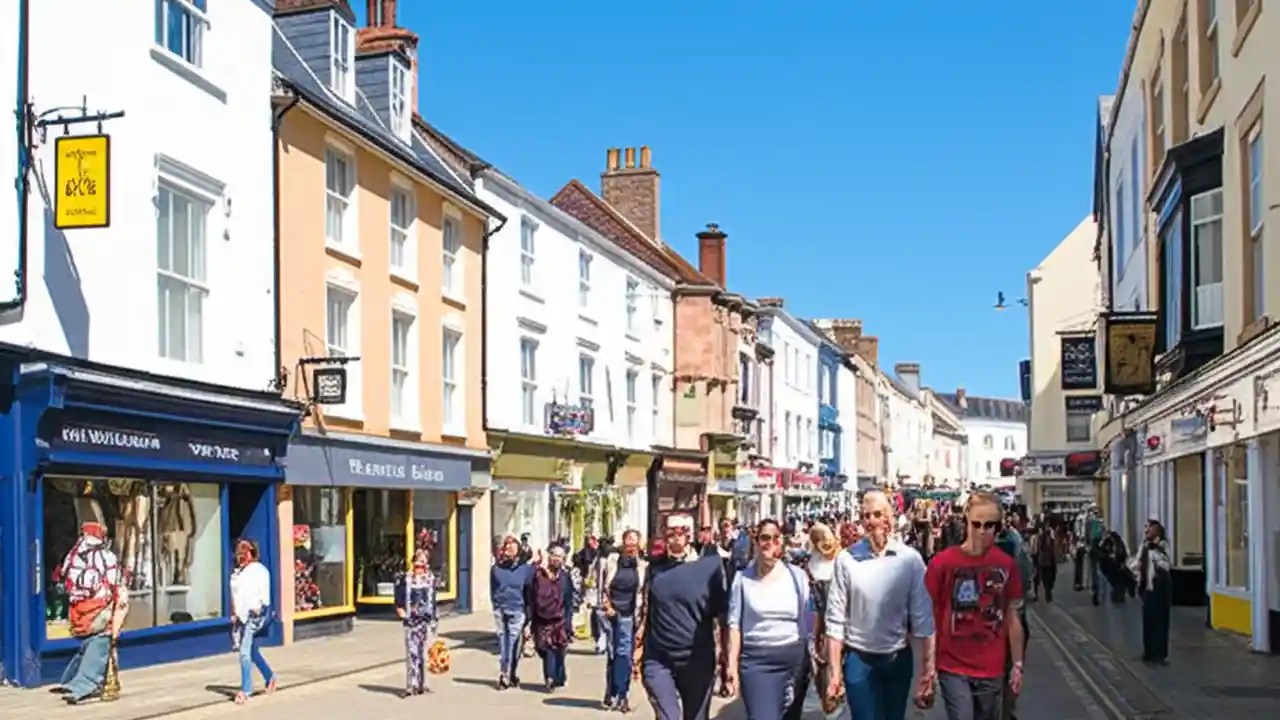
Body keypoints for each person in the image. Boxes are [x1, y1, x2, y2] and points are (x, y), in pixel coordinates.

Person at [825, 491, 936, 720]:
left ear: (889, 518)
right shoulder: (847, 559)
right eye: (866, 516)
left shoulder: (910, 560)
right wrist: (834, 672)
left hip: (897, 660)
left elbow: (923, 618)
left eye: (877, 514)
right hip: (859, 659)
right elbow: (835, 619)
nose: (872, 521)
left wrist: (928, 669)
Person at [926, 492, 1025, 720]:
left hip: (991, 667)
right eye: (976, 524)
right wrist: (928, 666)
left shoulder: (1007, 565)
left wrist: (1017, 664)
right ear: (966, 522)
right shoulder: (942, 563)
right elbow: (929, 617)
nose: (981, 531)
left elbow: (1013, 618)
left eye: (989, 525)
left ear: (998, 527)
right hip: (952, 666)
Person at [635, 514, 728, 720]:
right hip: (658, 659)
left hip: (697, 659)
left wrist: (727, 659)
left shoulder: (710, 566)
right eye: (671, 531)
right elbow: (647, 610)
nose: (676, 536)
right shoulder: (655, 569)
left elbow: (723, 615)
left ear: (691, 535)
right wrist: (637, 647)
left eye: (682, 531)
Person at [726, 519, 812, 720]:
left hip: (794, 663)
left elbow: (808, 619)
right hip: (757, 663)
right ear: (756, 542)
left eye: (775, 538)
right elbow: (734, 624)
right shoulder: (742, 579)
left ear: (781, 541)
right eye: (765, 538)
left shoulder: (798, 577)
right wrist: (731, 664)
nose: (770, 543)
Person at [51, 521, 130, 706]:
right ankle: (76, 682)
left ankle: (81, 684)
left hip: (93, 609)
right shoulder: (102, 557)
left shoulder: (77, 556)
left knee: (95, 644)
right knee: (93, 644)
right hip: (93, 609)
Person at [601, 529, 647, 712]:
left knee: (624, 654)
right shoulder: (612, 561)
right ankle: (610, 692)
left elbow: (643, 593)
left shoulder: (643, 566)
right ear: (623, 542)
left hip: (629, 614)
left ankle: (622, 695)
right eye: (629, 540)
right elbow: (601, 586)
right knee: (613, 654)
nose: (631, 544)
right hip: (610, 612)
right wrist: (606, 605)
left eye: (635, 540)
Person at [230, 539, 276, 705]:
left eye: (245, 553)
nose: (241, 557)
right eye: (239, 554)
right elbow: (236, 595)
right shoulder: (237, 574)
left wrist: (260, 605)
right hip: (242, 616)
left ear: (252, 553)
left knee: (244, 652)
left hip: (254, 615)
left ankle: (246, 690)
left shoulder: (259, 570)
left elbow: (264, 592)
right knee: (251, 650)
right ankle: (270, 676)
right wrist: (234, 613)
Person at [805, 523, 842, 715]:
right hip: (837, 628)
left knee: (824, 671)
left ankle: (829, 705)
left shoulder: (812, 565)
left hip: (824, 628)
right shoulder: (842, 560)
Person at [529, 546, 575, 691]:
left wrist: (568, 622)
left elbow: (569, 600)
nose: (556, 559)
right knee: (545, 648)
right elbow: (532, 596)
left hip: (560, 619)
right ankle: (550, 677)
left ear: (564, 559)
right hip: (542, 619)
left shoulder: (565, 577)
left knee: (559, 649)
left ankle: (556, 677)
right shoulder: (539, 575)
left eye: (559, 557)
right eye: (554, 555)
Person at [491, 534, 534, 689]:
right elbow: (493, 589)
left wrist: (529, 614)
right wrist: (496, 605)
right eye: (506, 547)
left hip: (518, 609)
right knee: (504, 644)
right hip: (501, 610)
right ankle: (504, 675)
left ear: (518, 550)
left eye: (512, 547)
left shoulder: (526, 570)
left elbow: (529, 591)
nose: (508, 550)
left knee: (515, 645)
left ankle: (512, 673)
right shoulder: (496, 569)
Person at [396, 549, 439, 696]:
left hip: (425, 620)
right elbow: (398, 599)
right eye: (418, 561)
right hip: (411, 620)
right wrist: (402, 612)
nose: (420, 565)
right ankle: (411, 685)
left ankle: (423, 684)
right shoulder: (405, 579)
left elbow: (433, 600)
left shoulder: (430, 579)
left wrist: (434, 619)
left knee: (424, 654)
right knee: (412, 653)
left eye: (423, 562)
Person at [1137, 519, 1172, 665]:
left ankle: (1160, 654)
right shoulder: (1144, 546)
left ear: (1156, 531)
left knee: (1160, 623)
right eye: (1146, 528)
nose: (1146, 531)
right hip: (1147, 590)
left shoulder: (1163, 546)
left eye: (1149, 528)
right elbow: (1139, 563)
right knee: (1148, 622)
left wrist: (1154, 548)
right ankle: (1148, 652)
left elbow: (1165, 565)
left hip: (1160, 591)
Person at [1034, 525, 1060, 603]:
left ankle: (1047, 592)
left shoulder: (1052, 539)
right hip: (1045, 562)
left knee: (1050, 578)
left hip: (1050, 562)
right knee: (1046, 579)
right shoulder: (1042, 538)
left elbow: (1054, 550)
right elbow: (1039, 549)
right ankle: (1047, 594)